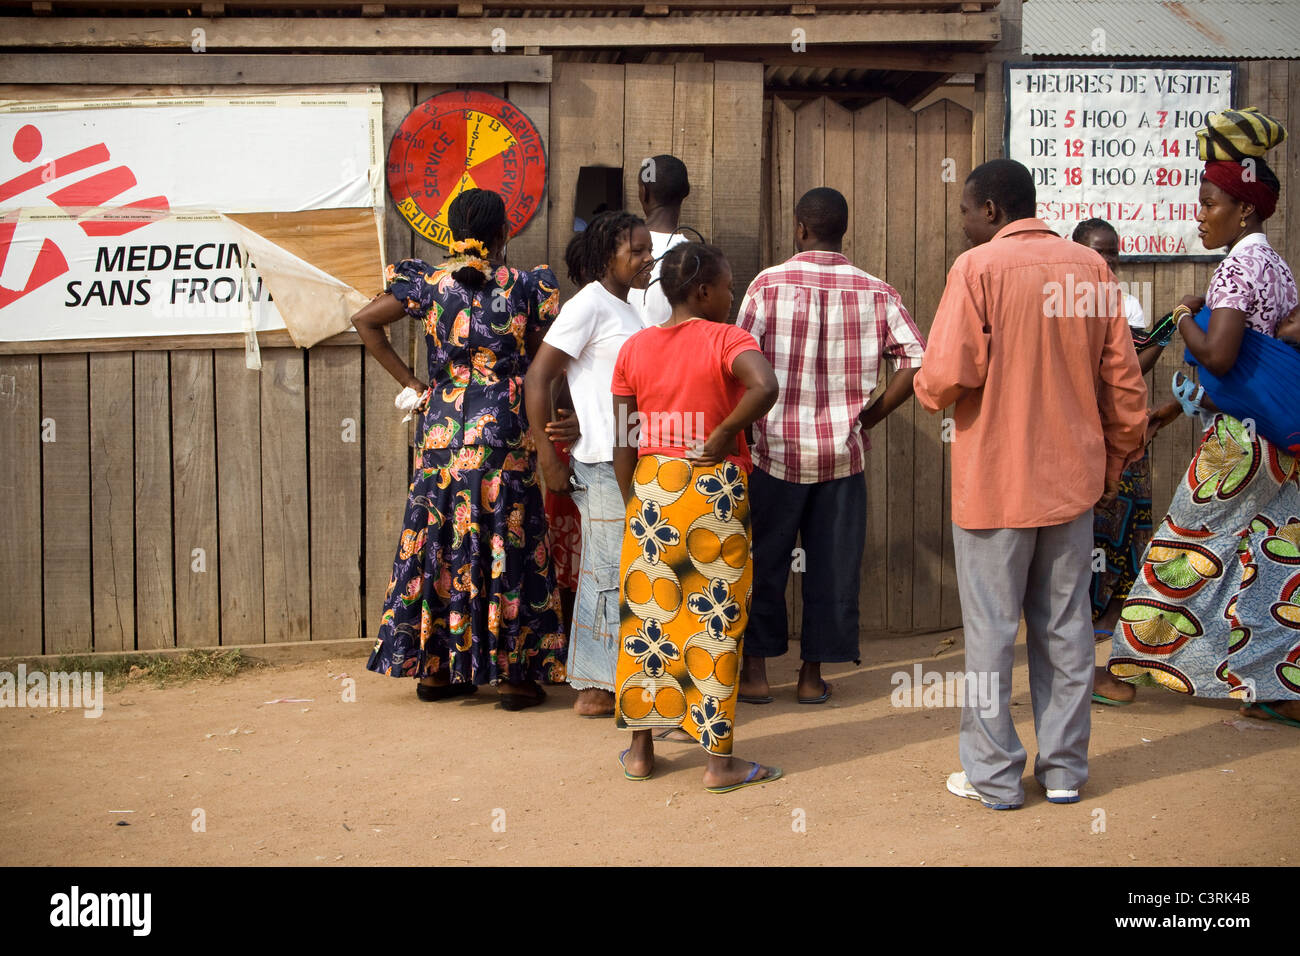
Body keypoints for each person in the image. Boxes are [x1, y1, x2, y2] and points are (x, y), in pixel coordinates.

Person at [913, 159, 1148, 809]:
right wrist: (1116, 457)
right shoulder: (1090, 269)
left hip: (994, 485)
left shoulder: (979, 269)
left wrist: (923, 386)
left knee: (990, 634)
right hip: (1070, 486)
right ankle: (1066, 771)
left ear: (991, 210)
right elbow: (1125, 386)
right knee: (1066, 629)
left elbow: (946, 375)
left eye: (964, 210)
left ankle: (993, 778)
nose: (961, 224)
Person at [1103, 121, 1300, 729]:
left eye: (1209, 206)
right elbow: (1265, 356)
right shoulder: (1277, 266)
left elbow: (1217, 355)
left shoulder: (1237, 269)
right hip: (1279, 442)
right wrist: (1170, 409)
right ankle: (1279, 687)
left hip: (1239, 448)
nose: (1200, 218)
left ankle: (1123, 672)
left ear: (1243, 209)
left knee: (1184, 545)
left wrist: (1188, 314)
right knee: (1274, 558)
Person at [353, 188, 566, 710]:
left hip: (442, 439)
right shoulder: (527, 286)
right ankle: (514, 679)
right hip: (506, 438)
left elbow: (365, 320)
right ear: (503, 234)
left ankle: (438, 675)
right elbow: (545, 364)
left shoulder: (427, 283)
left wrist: (418, 384)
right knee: (505, 544)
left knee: (443, 544)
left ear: (449, 232)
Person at [736, 187, 925, 705]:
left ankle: (754, 672)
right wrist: (875, 415)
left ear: (800, 228)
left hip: (773, 451)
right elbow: (917, 360)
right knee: (832, 565)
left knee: (763, 560)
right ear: (844, 230)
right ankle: (810, 675)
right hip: (843, 455)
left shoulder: (767, 285)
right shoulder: (876, 291)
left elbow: (737, 359)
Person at [611, 242, 783, 791]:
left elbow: (623, 436)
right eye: (730, 286)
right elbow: (766, 386)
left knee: (648, 617)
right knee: (715, 622)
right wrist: (727, 430)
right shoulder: (728, 339)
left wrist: (634, 498)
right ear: (703, 291)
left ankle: (640, 752)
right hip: (713, 488)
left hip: (653, 491)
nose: (733, 297)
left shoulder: (635, 348)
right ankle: (719, 765)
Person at [525, 211, 654, 717]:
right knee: (604, 571)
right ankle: (594, 688)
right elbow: (539, 377)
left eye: (648, 250)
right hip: (601, 462)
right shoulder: (589, 306)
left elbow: (601, 381)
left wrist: (576, 413)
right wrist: (548, 459)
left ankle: (612, 679)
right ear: (607, 257)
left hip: (623, 454)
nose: (647, 259)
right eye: (636, 252)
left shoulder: (629, 309)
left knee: (618, 568)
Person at [1071, 219, 1174, 639]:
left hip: (1118, 422)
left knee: (1129, 518)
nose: (1107, 261)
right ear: (1075, 251)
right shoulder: (1063, 302)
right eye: (1098, 252)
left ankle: (1114, 609)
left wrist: (1163, 333)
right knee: (1082, 522)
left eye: (1113, 253)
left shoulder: (1127, 304)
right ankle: (1079, 610)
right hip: (1077, 427)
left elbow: (1132, 367)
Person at [632, 153, 691, 328]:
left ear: (644, 192)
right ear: (685, 193)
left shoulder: (618, 247)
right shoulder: (696, 258)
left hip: (620, 354)